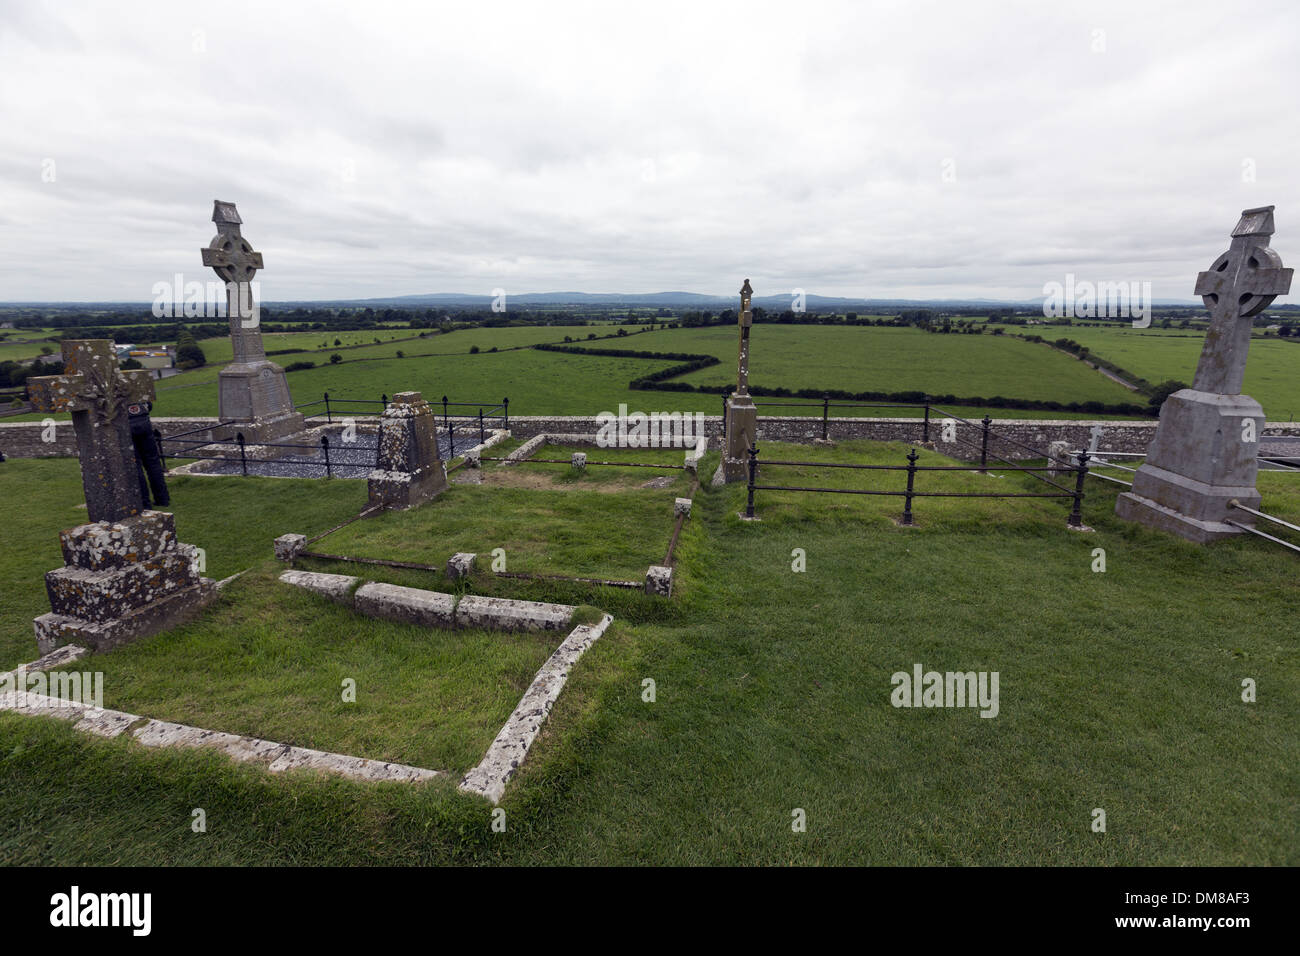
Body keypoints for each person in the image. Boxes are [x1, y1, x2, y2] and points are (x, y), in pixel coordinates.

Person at [128, 399, 170, 507]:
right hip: (144, 423)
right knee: (153, 463)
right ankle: (162, 499)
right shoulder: (135, 387)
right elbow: (149, 405)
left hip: (126, 425)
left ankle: (144, 502)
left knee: (135, 465)